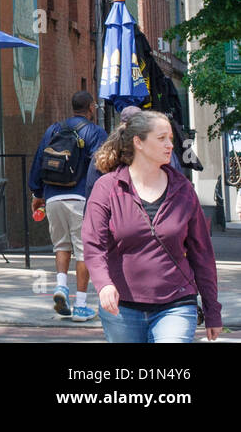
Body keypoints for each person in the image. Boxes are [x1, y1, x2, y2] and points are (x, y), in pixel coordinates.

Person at [81, 109, 222, 342]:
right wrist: (104, 284)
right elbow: (94, 246)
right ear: (139, 142)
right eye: (161, 138)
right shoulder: (107, 188)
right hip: (121, 306)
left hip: (176, 302)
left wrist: (212, 310)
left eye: (170, 139)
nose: (169, 145)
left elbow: (202, 254)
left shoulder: (183, 189)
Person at [28, 90, 107, 321]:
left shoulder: (54, 129)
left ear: (72, 107)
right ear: (91, 108)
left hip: (52, 197)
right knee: (84, 251)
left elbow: (39, 161)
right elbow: (100, 167)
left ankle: (61, 286)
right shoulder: (95, 132)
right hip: (80, 198)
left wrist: (37, 193)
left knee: (61, 246)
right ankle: (81, 305)